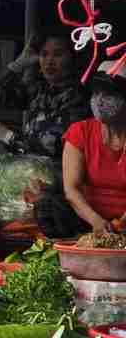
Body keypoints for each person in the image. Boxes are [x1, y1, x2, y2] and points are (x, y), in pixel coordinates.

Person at [0, 35, 88, 158]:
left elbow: (51, 148)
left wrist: (9, 137)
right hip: (32, 170)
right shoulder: (38, 90)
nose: (49, 61)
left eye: (58, 54)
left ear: (72, 58)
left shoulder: (79, 96)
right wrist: (17, 66)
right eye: (44, 55)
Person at [63, 67, 126, 236]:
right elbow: (71, 189)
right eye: (97, 92)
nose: (100, 100)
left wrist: (121, 224)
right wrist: (96, 221)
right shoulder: (80, 131)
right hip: (88, 220)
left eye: (110, 93)